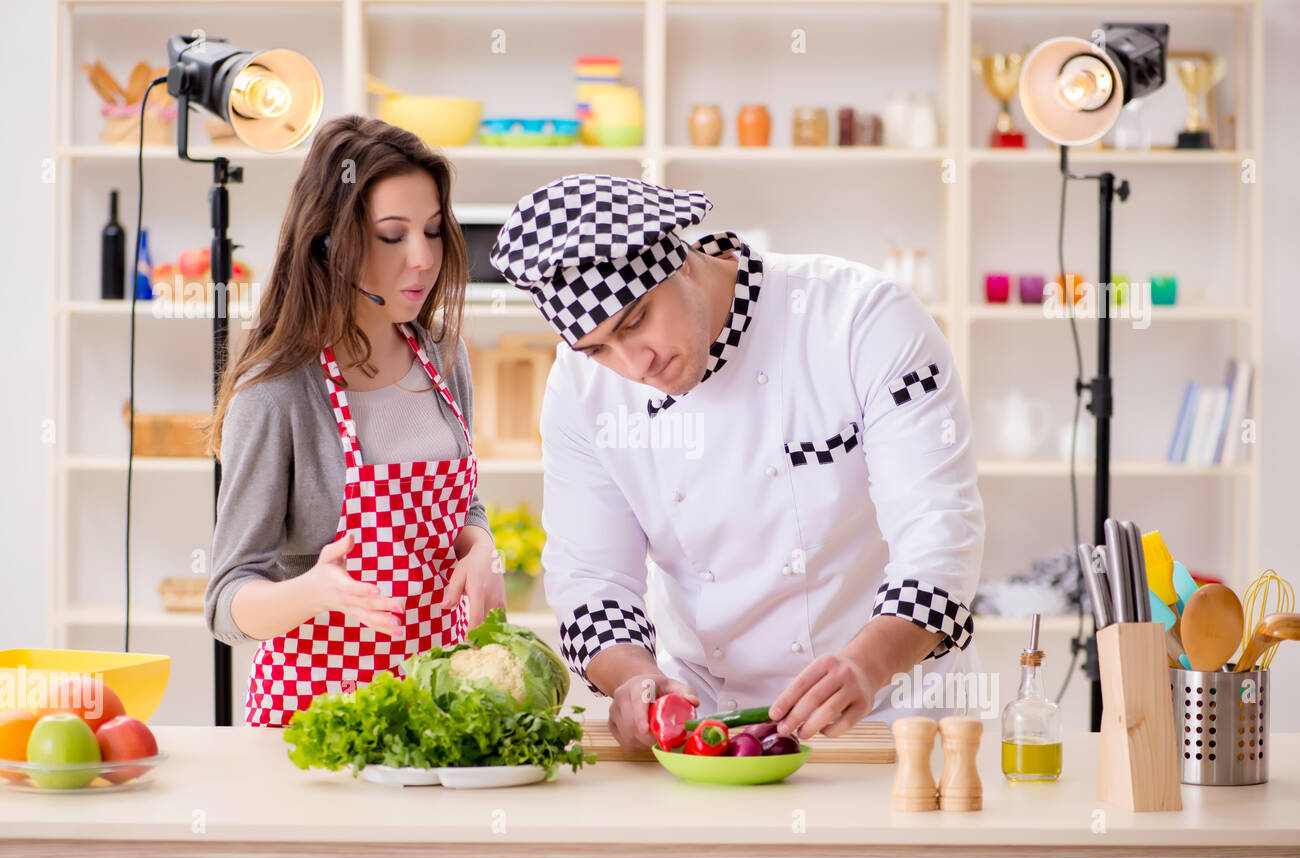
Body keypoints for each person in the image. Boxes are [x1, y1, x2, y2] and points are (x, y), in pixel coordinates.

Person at [489, 174, 985, 751]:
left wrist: (869, 665)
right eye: (598, 348)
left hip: (896, 719)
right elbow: (593, 580)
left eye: (635, 322)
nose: (634, 364)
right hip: (710, 730)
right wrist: (635, 679)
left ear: (681, 260)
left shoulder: (860, 319)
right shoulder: (579, 388)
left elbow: (940, 536)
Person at [203, 115, 504, 728]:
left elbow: (464, 509)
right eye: (392, 235)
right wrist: (314, 591)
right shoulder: (277, 392)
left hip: (441, 701)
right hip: (317, 718)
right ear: (329, 243)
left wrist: (481, 551)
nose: (422, 259)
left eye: (433, 231)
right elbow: (227, 600)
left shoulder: (446, 354)